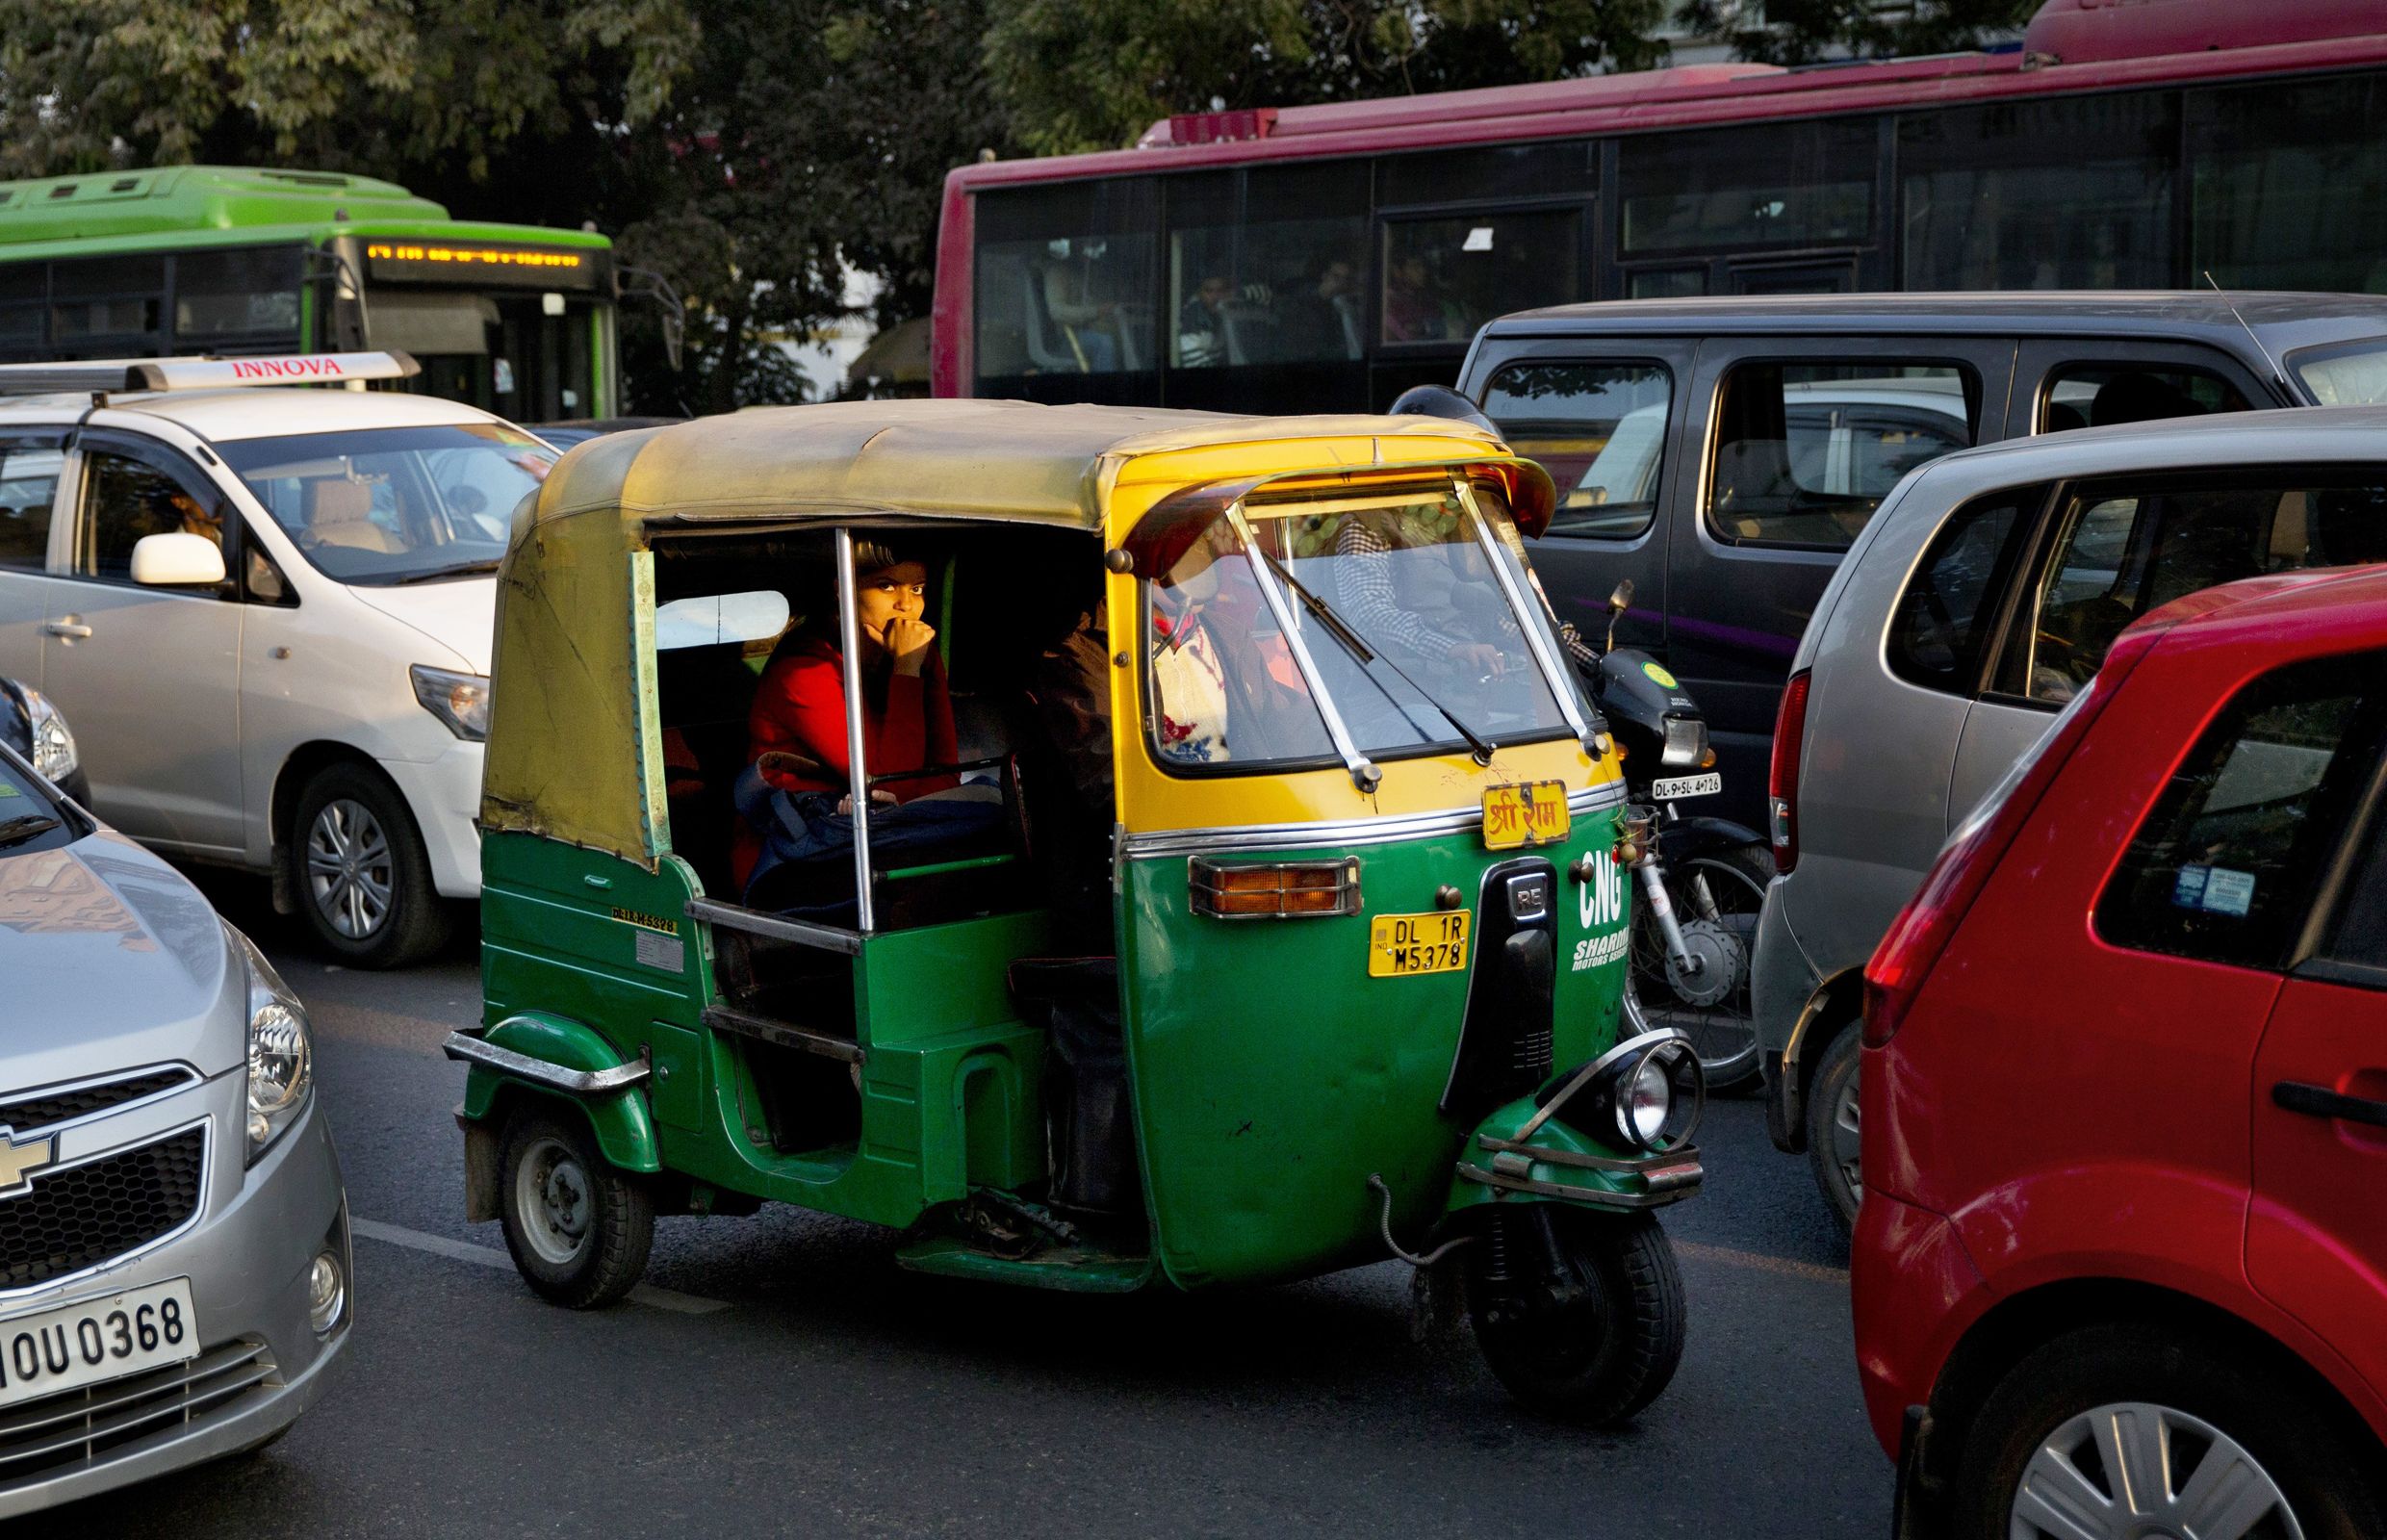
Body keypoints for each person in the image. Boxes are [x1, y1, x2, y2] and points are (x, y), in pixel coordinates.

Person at [732, 542, 958, 890]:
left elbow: (946, 772)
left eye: (917, 589)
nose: (907, 605)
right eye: (887, 586)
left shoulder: (915, 656)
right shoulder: (803, 672)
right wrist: (907, 671)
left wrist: (915, 666)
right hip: (797, 859)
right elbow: (886, 783)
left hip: (879, 841)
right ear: (843, 589)